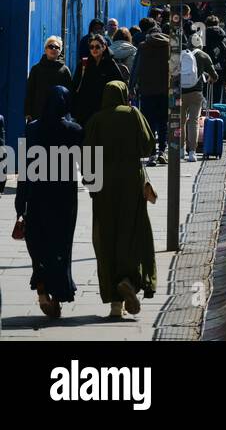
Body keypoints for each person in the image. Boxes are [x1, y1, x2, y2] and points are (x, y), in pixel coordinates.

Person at [84, 81, 156, 319]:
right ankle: (128, 280)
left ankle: (115, 304)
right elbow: (147, 147)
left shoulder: (96, 120)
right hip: (130, 185)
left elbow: (87, 158)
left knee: (106, 240)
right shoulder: (133, 115)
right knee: (132, 234)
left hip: (103, 188)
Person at [14, 85, 82, 318]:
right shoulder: (74, 130)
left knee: (39, 243)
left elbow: (24, 168)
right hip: (63, 199)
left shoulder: (32, 129)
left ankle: (42, 285)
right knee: (60, 246)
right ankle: (56, 295)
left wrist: (19, 206)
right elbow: (89, 167)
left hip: (37, 197)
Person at [131, 21, 171, 165]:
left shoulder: (143, 46)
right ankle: (162, 151)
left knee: (149, 123)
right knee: (163, 122)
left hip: (147, 91)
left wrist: (131, 87)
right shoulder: (169, 46)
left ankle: (152, 154)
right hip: (166, 90)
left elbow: (136, 69)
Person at [71, 33, 129, 128]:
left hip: (104, 108)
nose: (94, 49)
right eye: (91, 47)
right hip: (85, 108)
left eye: (97, 47)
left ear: (104, 47)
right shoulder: (83, 64)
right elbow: (75, 85)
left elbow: (119, 84)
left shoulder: (110, 64)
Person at [24, 36, 74, 124]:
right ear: (45, 50)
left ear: (60, 51)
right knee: (31, 137)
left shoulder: (64, 70)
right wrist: (28, 112)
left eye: (56, 47)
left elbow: (69, 93)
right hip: (38, 114)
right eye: (51, 46)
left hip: (58, 116)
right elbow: (30, 91)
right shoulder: (36, 69)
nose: (53, 49)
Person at [181, 38, 215, 162]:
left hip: (180, 92)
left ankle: (180, 150)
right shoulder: (203, 55)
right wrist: (210, 77)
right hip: (196, 92)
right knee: (193, 121)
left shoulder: (181, 54)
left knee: (181, 121)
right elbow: (214, 74)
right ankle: (192, 152)